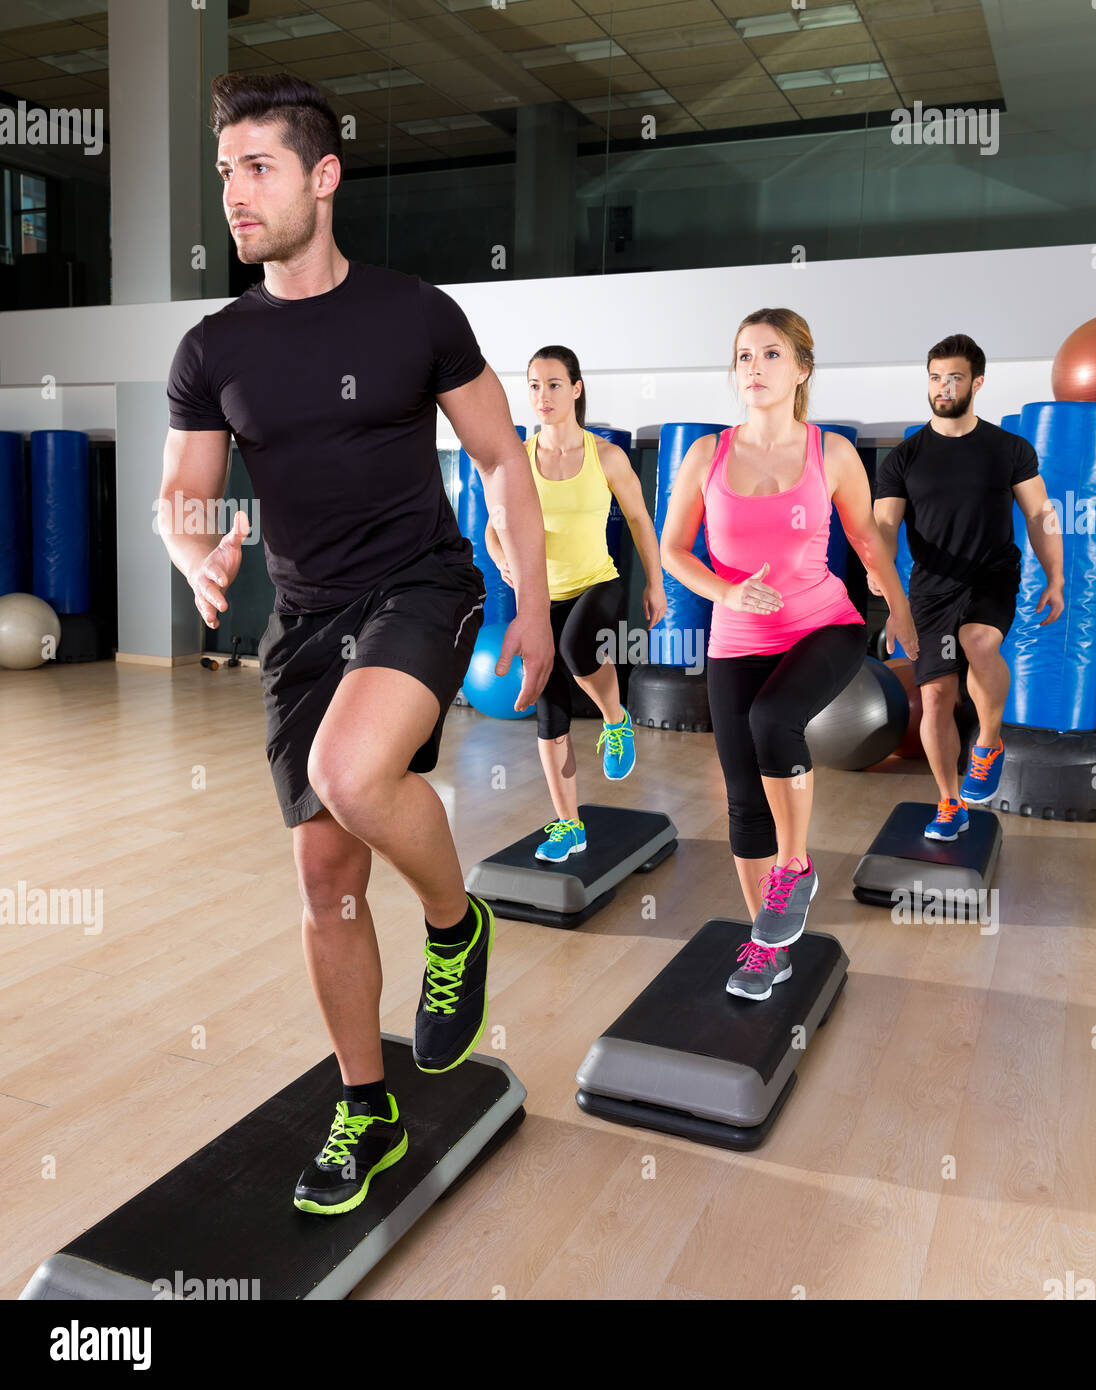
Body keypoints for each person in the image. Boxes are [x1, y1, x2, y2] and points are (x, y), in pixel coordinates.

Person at [157, 73, 553, 1216]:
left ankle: (453, 921)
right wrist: (194, 557)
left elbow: (501, 459)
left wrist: (530, 602)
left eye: (258, 167)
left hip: (420, 585)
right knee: (326, 875)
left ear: (323, 178)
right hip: (305, 619)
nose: (235, 192)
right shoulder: (212, 345)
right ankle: (366, 1104)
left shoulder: (414, 312)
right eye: (226, 170)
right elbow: (179, 492)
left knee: (348, 771)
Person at [660, 308, 918, 999]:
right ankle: (765, 943)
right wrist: (727, 593)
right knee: (743, 801)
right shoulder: (706, 454)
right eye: (743, 355)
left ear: (802, 368)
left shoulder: (830, 453)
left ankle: (796, 866)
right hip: (737, 636)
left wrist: (900, 609)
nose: (753, 368)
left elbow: (867, 538)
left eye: (770, 354)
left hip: (823, 624)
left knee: (774, 721)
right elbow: (672, 550)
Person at [869, 333, 1064, 840]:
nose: (943, 387)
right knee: (935, 697)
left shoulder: (1008, 449)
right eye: (935, 377)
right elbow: (885, 527)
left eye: (954, 377)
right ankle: (949, 802)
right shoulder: (904, 458)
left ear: (976, 382)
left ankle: (989, 742)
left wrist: (1057, 576)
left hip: (991, 572)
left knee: (979, 641)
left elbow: (1040, 512)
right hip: (930, 587)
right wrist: (887, 586)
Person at [481, 347, 667, 862]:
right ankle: (570, 825)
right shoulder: (516, 460)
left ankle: (614, 718)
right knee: (550, 711)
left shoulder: (606, 455)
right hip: (539, 596)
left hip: (596, 584)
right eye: (535, 385)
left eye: (555, 384)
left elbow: (638, 521)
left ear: (577, 389)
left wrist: (655, 583)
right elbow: (494, 532)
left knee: (575, 645)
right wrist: (501, 561)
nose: (544, 396)